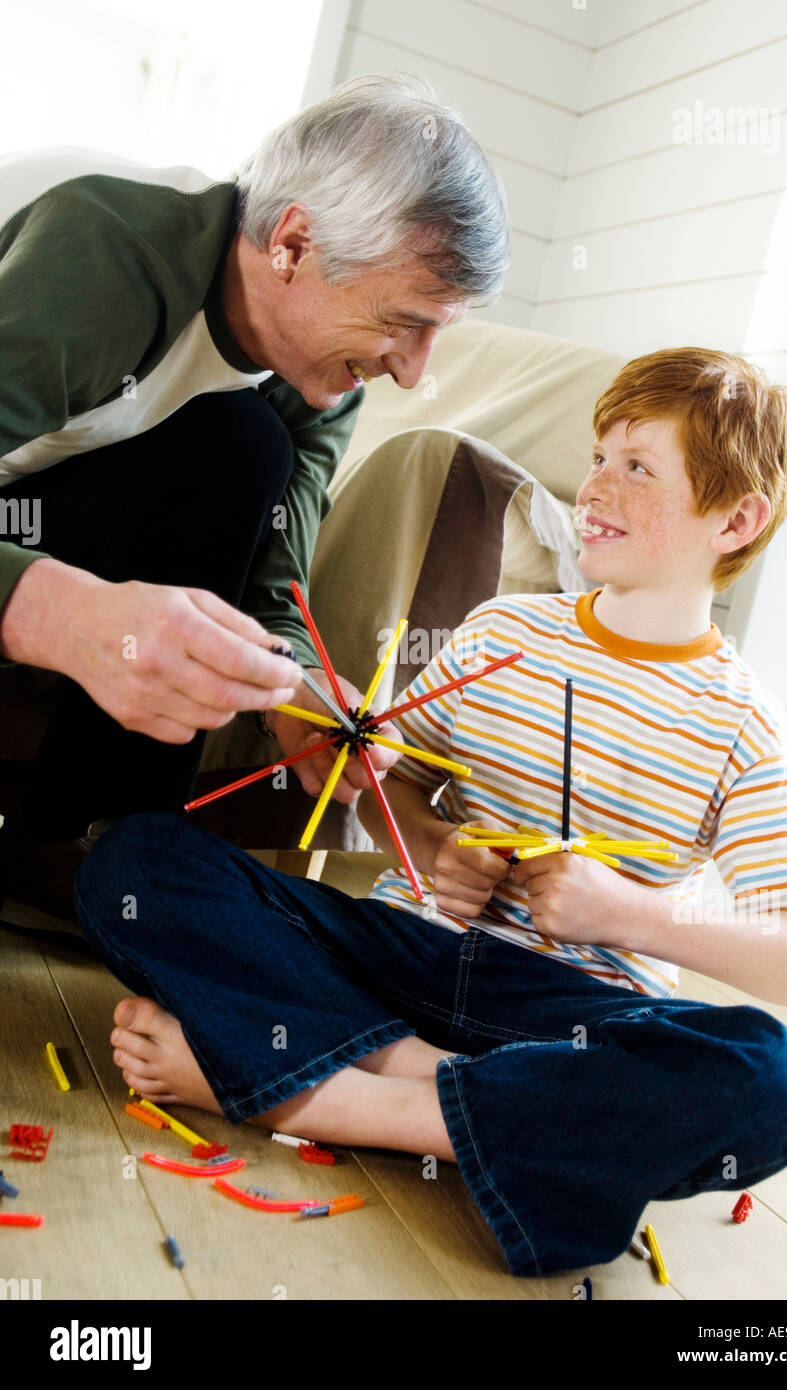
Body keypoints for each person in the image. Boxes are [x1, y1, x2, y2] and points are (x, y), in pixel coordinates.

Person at [74, 348, 787, 1277]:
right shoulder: (502, 631)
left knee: (773, 1081)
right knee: (137, 862)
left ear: (737, 518)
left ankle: (336, 1095)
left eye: (638, 466)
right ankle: (435, 1081)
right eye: (599, 455)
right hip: (406, 955)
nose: (597, 485)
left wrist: (624, 914)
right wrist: (428, 834)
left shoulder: (742, 723)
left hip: (572, 1014)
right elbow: (404, 785)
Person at [0, 71, 508, 922]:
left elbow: (274, 582)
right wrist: (61, 612)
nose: (413, 374)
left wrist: (296, 688)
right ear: (294, 244)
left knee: (240, 442)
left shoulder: (316, 381)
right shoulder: (106, 256)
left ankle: (101, 848)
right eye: (405, 322)